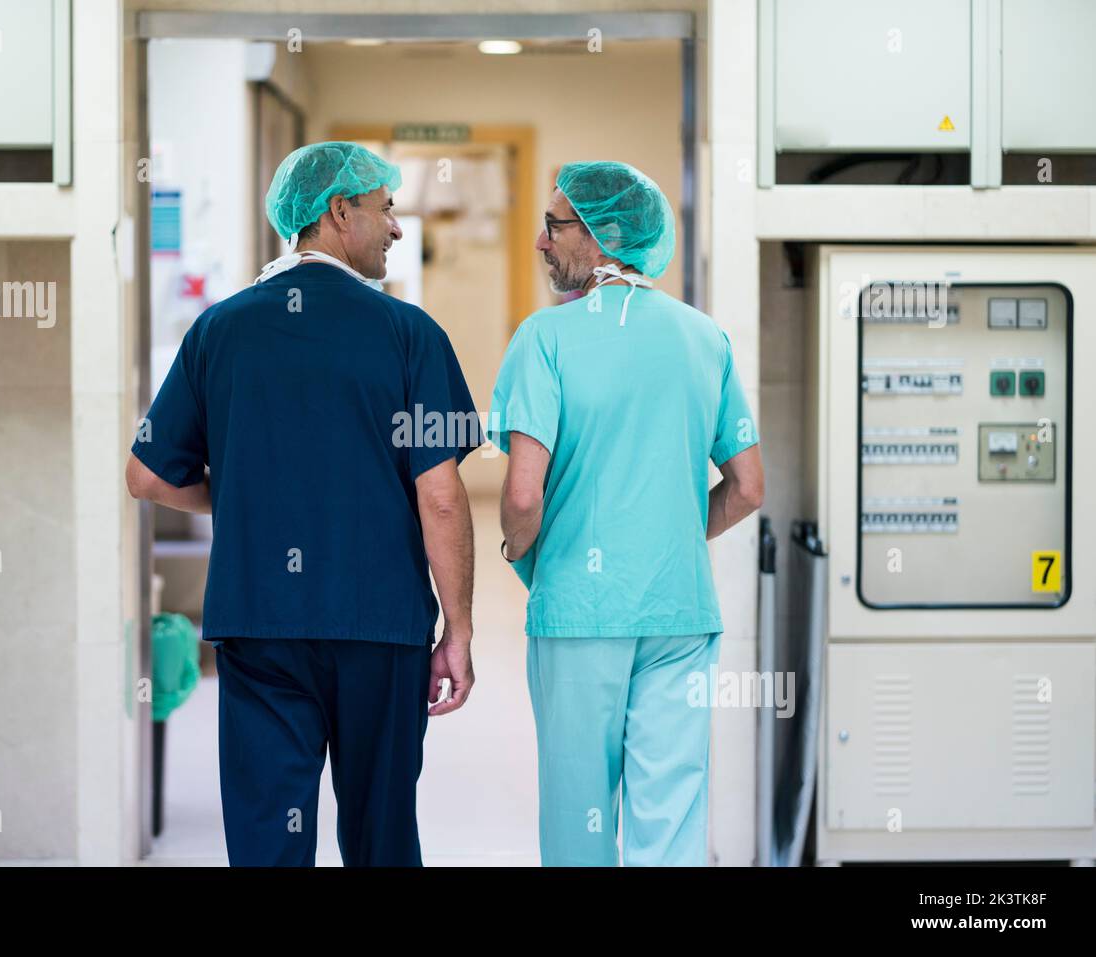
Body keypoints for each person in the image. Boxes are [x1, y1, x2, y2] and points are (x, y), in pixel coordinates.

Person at [126, 142, 482, 866]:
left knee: (267, 839)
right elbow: (440, 496)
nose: (396, 229)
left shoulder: (219, 331)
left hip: (261, 627)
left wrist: (240, 495)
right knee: (382, 835)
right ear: (337, 211)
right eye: (385, 210)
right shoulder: (410, 334)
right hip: (379, 627)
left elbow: (146, 474)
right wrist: (460, 627)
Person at [487, 161, 764, 866]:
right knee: (670, 818)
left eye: (555, 226)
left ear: (604, 234)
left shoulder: (544, 338)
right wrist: (666, 534)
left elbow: (521, 495)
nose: (542, 243)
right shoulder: (705, 338)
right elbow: (749, 486)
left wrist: (522, 549)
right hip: (679, 611)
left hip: (581, 613)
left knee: (580, 821)